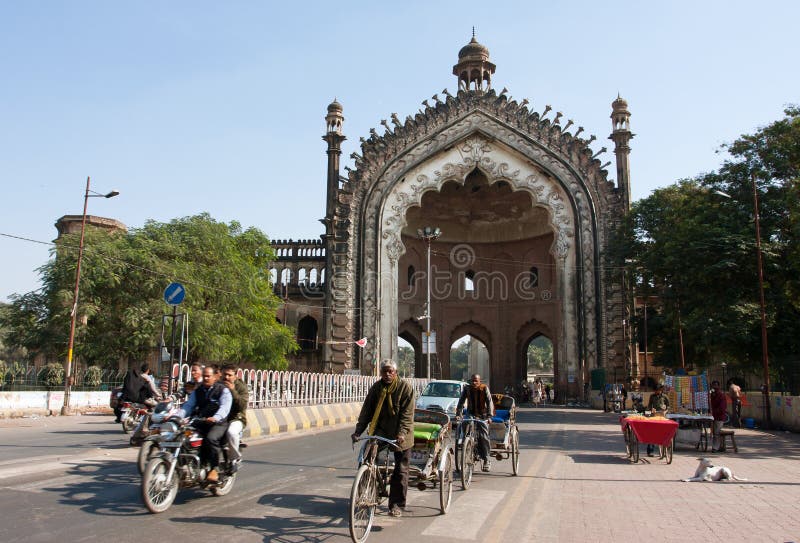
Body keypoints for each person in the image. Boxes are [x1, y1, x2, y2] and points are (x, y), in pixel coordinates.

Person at [351, 359, 414, 518]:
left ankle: (396, 505)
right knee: (367, 459)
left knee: (400, 470)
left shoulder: (405, 388)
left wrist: (401, 433)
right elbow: (367, 412)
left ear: (395, 373)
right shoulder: (376, 388)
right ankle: (369, 491)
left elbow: (407, 416)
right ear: (380, 373)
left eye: (390, 371)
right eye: (384, 371)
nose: (387, 374)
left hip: (402, 434)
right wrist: (358, 431)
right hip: (381, 431)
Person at [177, 364, 232, 482]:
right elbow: (188, 406)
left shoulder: (223, 390)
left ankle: (214, 468)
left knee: (210, 438)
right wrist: (177, 416)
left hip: (218, 424)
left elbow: (225, 407)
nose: (206, 378)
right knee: (181, 436)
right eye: (204, 376)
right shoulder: (198, 391)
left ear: (214, 377)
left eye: (208, 376)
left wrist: (216, 417)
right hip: (201, 421)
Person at [456, 373, 495, 472]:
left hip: (482, 415)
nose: (474, 383)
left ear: (479, 381)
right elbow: (461, 402)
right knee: (464, 423)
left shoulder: (484, 388)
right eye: (472, 380)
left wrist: (490, 416)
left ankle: (486, 459)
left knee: (484, 435)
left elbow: (490, 402)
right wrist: (458, 413)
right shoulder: (467, 388)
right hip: (470, 413)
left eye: (476, 381)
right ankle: (466, 442)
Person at [221, 364, 248, 462]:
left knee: (231, 432)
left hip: (235, 418)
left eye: (229, 375)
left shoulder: (241, 387)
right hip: (218, 418)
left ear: (235, 376)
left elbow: (242, 406)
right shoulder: (218, 384)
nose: (226, 377)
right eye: (224, 374)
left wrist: (233, 391)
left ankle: (233, 460)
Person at [645, 384, 670, 457]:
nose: (656, 392)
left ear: (660, 390)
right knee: (652, 433)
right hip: (654, 416)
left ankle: (665, 449)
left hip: (662, 416)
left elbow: (668, 406)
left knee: (664, 433)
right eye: (655, 391)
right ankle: (650, 451)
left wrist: (665, 411)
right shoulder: (652, 396)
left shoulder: (665, 397)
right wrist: (650, 410)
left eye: (657, 390)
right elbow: (649, 406)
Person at [709, 380, 728, 452]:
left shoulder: (721, 395)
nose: (714, 387)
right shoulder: (713, 394)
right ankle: (718, 446)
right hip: (713, 416)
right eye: (713, 386)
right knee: (714, 432)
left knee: (716, 433)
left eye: (715, 385)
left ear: (718, 386)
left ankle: (715, 448)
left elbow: (722, 408)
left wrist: (714, 412)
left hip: (719, 417)